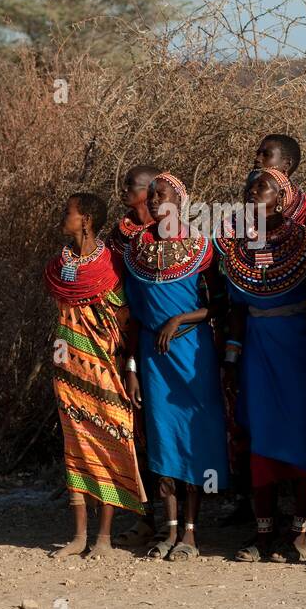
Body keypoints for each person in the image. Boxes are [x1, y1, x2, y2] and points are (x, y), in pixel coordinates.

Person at [217, 169, 306, 562]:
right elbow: (237, 308)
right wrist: (231, 354)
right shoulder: (240, 245)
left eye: (262, 187)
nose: (252, 192)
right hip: (259, 349)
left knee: (302, 437)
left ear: (282, 197)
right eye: (249, 187)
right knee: (261, 438)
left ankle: (300, 531)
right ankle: (263, 531)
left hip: (299, 347)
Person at [121, 172, 229, 560]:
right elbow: (132, 315)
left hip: (192, 355)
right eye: (150, 195)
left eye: (161, 194)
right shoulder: (136, 250)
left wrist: (179, 320)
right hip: (154, 358)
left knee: (194, 439)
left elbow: (220, 303)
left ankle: (190, 534)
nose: (153, 200)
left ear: (180, 200)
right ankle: (167, 531)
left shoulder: (203, 247)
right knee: (163, 439)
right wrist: (131, 367)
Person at [44, 192, 146, 558]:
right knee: (75, 447)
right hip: (68, 369)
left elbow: (127, 321)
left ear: (86, 219)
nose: (62, 216)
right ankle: (78, 537)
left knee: (110, 442)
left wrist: (128, 366)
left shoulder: (112, 265)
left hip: (106, 370)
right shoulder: (60, 265)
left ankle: (103, 538)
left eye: (68, 212)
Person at [107, 164, 161, 549]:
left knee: (161, 428)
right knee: (132, 428)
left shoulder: (172, 235)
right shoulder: (120, 233)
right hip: (123, 334)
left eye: (134, 185)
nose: (125, 189)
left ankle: (175, 519)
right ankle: (145, 516)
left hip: (161, 339)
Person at [252, 134, 306, 232]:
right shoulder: (251, 193)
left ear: (286, 165)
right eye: (258, 154)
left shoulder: (303, 207)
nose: (257, 159)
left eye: (266, 155)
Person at [107, 164, 159, 258]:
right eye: (125, 183)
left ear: (151, 190)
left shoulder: (166, 231)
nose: (124, 188)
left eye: (131, 184)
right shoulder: (117, 234)